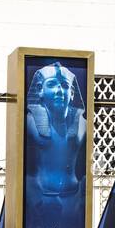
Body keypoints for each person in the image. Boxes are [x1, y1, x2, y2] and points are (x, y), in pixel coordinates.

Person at [25, 61, 86, 198]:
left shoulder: (83, 125)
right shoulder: (29, 123)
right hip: (40, 196)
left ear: (72, 92)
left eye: (64, 86)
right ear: (40, 90)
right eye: (52, 84)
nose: (59, 91)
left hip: (73, 196)